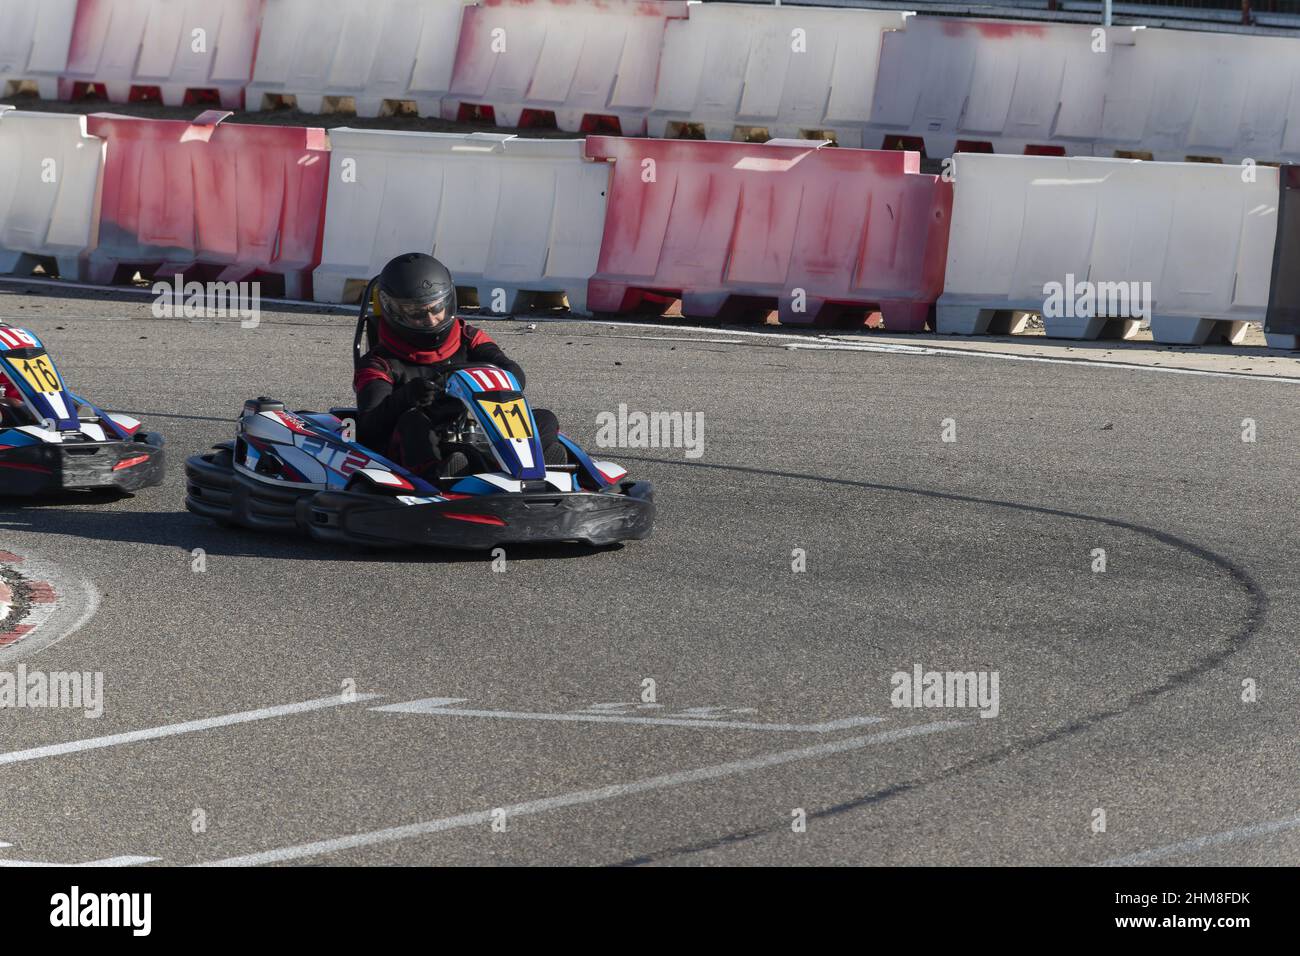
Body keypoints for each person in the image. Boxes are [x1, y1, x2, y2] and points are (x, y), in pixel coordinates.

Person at [352, 253, 561, 477]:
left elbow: (511, 371)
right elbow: (369, 427)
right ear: (394, 311)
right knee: (412, 422)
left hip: (477, 428)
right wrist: (407, 396)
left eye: (436, 308)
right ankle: (440, 476)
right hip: (424, 445)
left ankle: (538, 469)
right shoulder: (379, 362)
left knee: (545, 419)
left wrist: (506, 376)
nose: (431, 319)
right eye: (417, 312)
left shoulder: (468, 337)